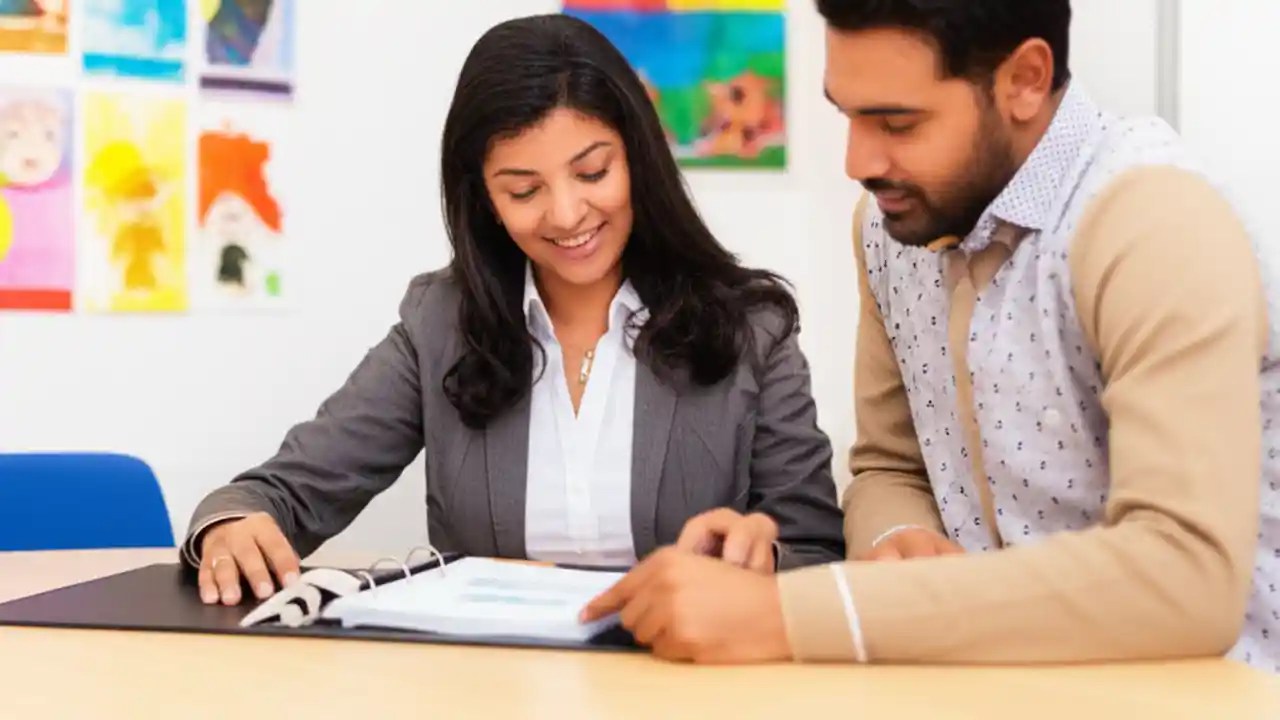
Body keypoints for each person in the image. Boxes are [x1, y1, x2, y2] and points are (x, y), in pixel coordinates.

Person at [583, 0, 1280, 672]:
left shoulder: (1152, 221)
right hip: (985, 685)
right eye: (847, 115)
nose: (858, 159)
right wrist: (897, 540)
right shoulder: (890, 226)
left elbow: (1186, 575)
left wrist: (792, 613)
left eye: (897, 122)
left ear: (1025, 81)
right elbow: (891, 467)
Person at [182, 13, 845, 607]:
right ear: (486, 202)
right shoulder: (439, 324)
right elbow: (284, 492)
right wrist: (233, 523)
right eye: (524, 189)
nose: (566, 214)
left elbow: (816, 554)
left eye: (592, 173)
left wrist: (756, 564)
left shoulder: (753, 328)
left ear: (638, 159)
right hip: (491, 690)